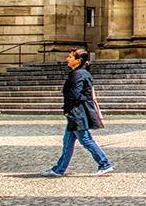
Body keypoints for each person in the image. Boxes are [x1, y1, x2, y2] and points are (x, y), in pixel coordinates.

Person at [41, 49, 113, 177]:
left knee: (85, 139)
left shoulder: (78, 74)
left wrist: (68, 109)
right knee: (68, 141)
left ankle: (104, 164)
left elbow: (75, 93)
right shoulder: (79, 73)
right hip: (77, 110)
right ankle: (59, 169)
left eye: (70, 57)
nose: (67, 59)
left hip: (77, 111)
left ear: (78, 60)